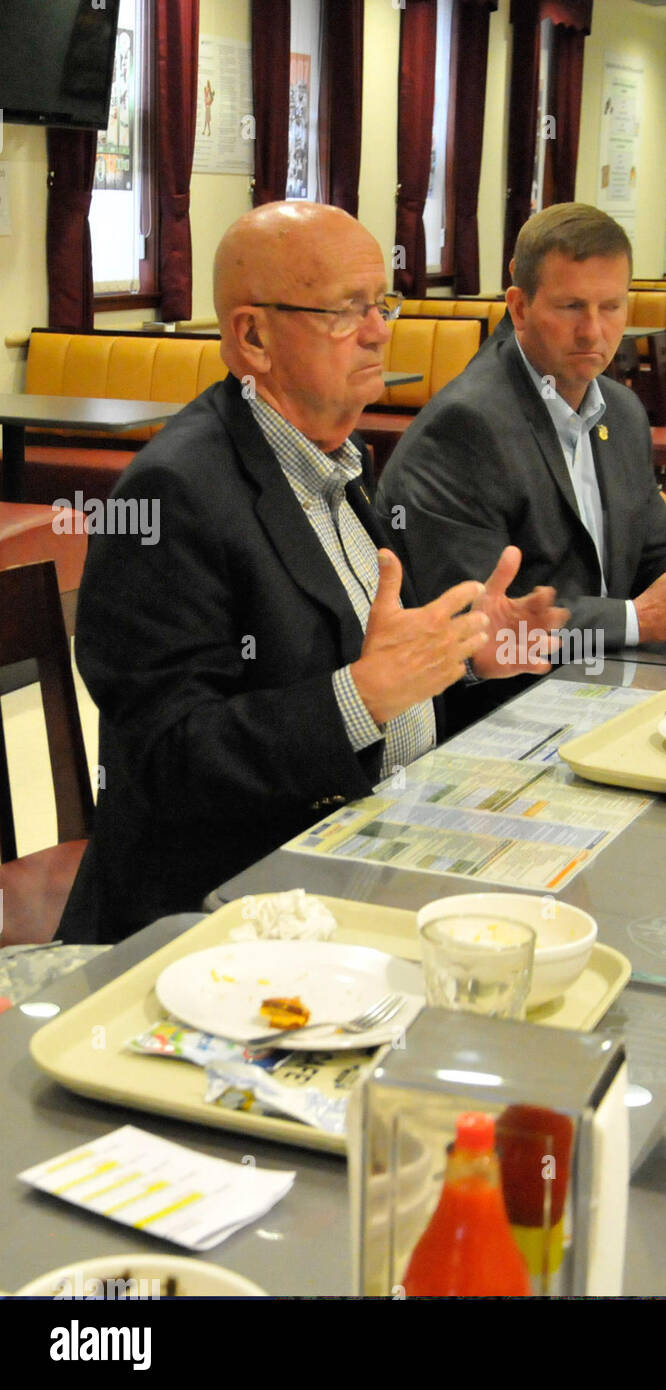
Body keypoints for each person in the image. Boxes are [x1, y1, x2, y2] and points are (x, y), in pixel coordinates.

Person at [59, 202, 565, 945]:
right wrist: (359, 697)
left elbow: (375, 678)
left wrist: (463, 663)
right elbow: (167, 761)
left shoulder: (339, 462)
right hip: (220, 921)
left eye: (382, 303)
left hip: (365, 852)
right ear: (252, 337)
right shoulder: (172, 495)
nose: (378, 330)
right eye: (345, 311)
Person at [376, 203, 666, 722]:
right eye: (571, 307)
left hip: (617, 688)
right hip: (505, 710)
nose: (593, 332)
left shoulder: (620, 410)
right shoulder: (465, 427)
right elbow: (478, 624)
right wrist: (639, 618)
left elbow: (656, 542)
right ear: (519, 308)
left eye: (611, 307)